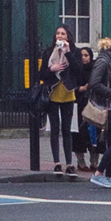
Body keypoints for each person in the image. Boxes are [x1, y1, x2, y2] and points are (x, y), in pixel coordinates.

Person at [84, 37, 111, 188]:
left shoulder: (108, 62)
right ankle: (98, 173)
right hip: (105, 107)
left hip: (110, 106)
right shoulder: (103, 62)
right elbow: (94, 83)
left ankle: (108, 176)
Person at [34, 27, 76, 173]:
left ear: (68, 37)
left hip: (68, 93)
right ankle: (57, 162)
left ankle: (69, 164)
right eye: (58, 33)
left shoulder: (74, 51)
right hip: (52, 94)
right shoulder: (48, 52)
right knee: (55, 129)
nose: (60, 36)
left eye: (63, 34)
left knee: (67, 129)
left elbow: (77, 69)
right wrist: (52, 69)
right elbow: (41, 74)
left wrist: (68, 52)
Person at [67, 45, 94, 172]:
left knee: (94, 133)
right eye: (81, 56)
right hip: (79, 104)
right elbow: (70, 85)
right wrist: (80, 89)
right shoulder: (76, 70)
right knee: (79, 134)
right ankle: (81, 161)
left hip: (93, 104)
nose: (83, 58)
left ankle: (94, 161)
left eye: (86, 55)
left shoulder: (95, 69)